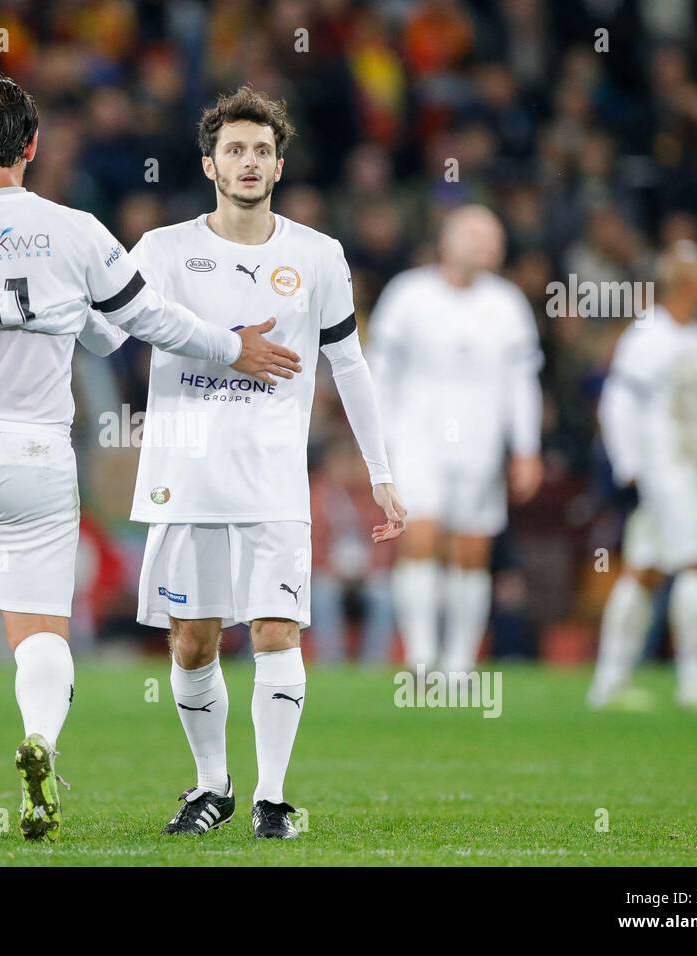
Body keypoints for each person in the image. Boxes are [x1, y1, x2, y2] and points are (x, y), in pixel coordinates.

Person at [0, 75, 300, 843]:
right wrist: (234, 346)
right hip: (34, 452)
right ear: (33, 147)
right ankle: (41, 738)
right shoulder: (74, 231)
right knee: (39, 631)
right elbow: (154, 320)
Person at [79, 86, 406, 840]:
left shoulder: (317, 255)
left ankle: (272, 798)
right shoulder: (162, 251)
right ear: (209, 164)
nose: (249, 161)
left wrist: (380, 471)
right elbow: (106, 333)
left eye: (262, 150)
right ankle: (209, 787)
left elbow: (348, 365)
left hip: (272, 476)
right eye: (235, 149)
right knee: (193, 640)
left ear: (279, 164)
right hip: (185, 472)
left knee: (275, 631)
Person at [367, 206, 544, 676]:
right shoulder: (408, 295)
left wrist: (526, 448)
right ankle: (422, 657)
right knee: (420, 534)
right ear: (446, 240)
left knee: (471, 548)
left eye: (494, 236)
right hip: (415, 438)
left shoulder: (508, 304)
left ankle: (461, 661)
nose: (489, 244)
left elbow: (521, 382)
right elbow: (379, 374)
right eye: (476, 234)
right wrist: (377, 441)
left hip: (480, 443)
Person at [589, 240, 697, 711]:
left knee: (646, 570)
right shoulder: (649, 336)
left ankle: (609, 681)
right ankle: (695, 678)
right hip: (663, 468)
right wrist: (628, 466)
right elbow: (617, 404)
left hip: (687, 466)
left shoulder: (696, 338)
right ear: (685, 281)